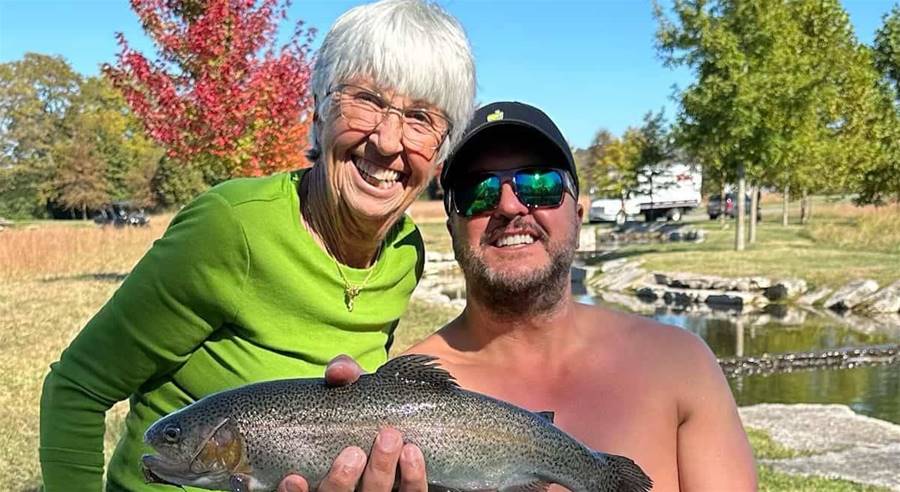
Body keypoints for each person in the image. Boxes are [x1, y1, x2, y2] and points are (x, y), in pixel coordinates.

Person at [39, 1, 474, 490]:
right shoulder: (230, 228)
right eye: (367, 100)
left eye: (420, 118)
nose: (389, 141)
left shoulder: (404, 253)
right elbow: (76, 389)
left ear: (440, 151)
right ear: (319, 110)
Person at [288, 102, 758, 492]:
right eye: (478, 191)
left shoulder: (680, 363)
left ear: (578, 214)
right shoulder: (394, 404)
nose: (510, 206)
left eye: (539, 185)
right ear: (451, 226)